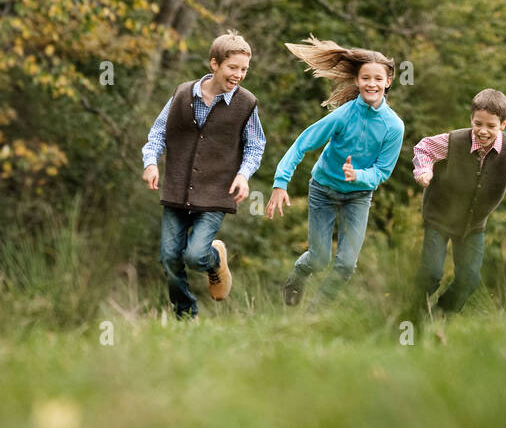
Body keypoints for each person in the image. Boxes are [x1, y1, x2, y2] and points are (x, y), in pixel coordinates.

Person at [265, 36, 403, 305]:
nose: (371, 84)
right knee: (318, 259)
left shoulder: (394, 127)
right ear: (356, 81)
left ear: (388, 82)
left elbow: (383, 171)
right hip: (323, 190)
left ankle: (314, 314)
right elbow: (302, 144)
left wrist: (359, 176)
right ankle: (296, 278)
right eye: (366, 78)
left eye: (378, 79)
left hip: (359, 196)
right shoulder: (343, 115)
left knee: (346, 265)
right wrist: (280, 182)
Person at [142, 29, 264, 319]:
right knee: (170, 258)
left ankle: (215, 259)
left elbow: (256, 145)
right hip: (176, 189)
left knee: (196, 256)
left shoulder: (246, 104)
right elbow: (159, 132)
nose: (239, 74)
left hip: (217, 191)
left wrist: (244, 175)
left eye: (244, 69)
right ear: (214, 64)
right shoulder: (183, 93)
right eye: (232, 67)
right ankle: (186, 315)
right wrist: (150, 162)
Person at [412, 87, 506, 317]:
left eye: (491, 126)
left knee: (469, 279)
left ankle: (439, 316)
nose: (483, 131)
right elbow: (424, 147)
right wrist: (424, 171)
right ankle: (414, 311)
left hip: (473, 224)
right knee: (432, 273)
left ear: (503, 124)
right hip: (440, 216)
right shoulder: (454, 141)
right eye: (478, 124)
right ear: (471, 120)